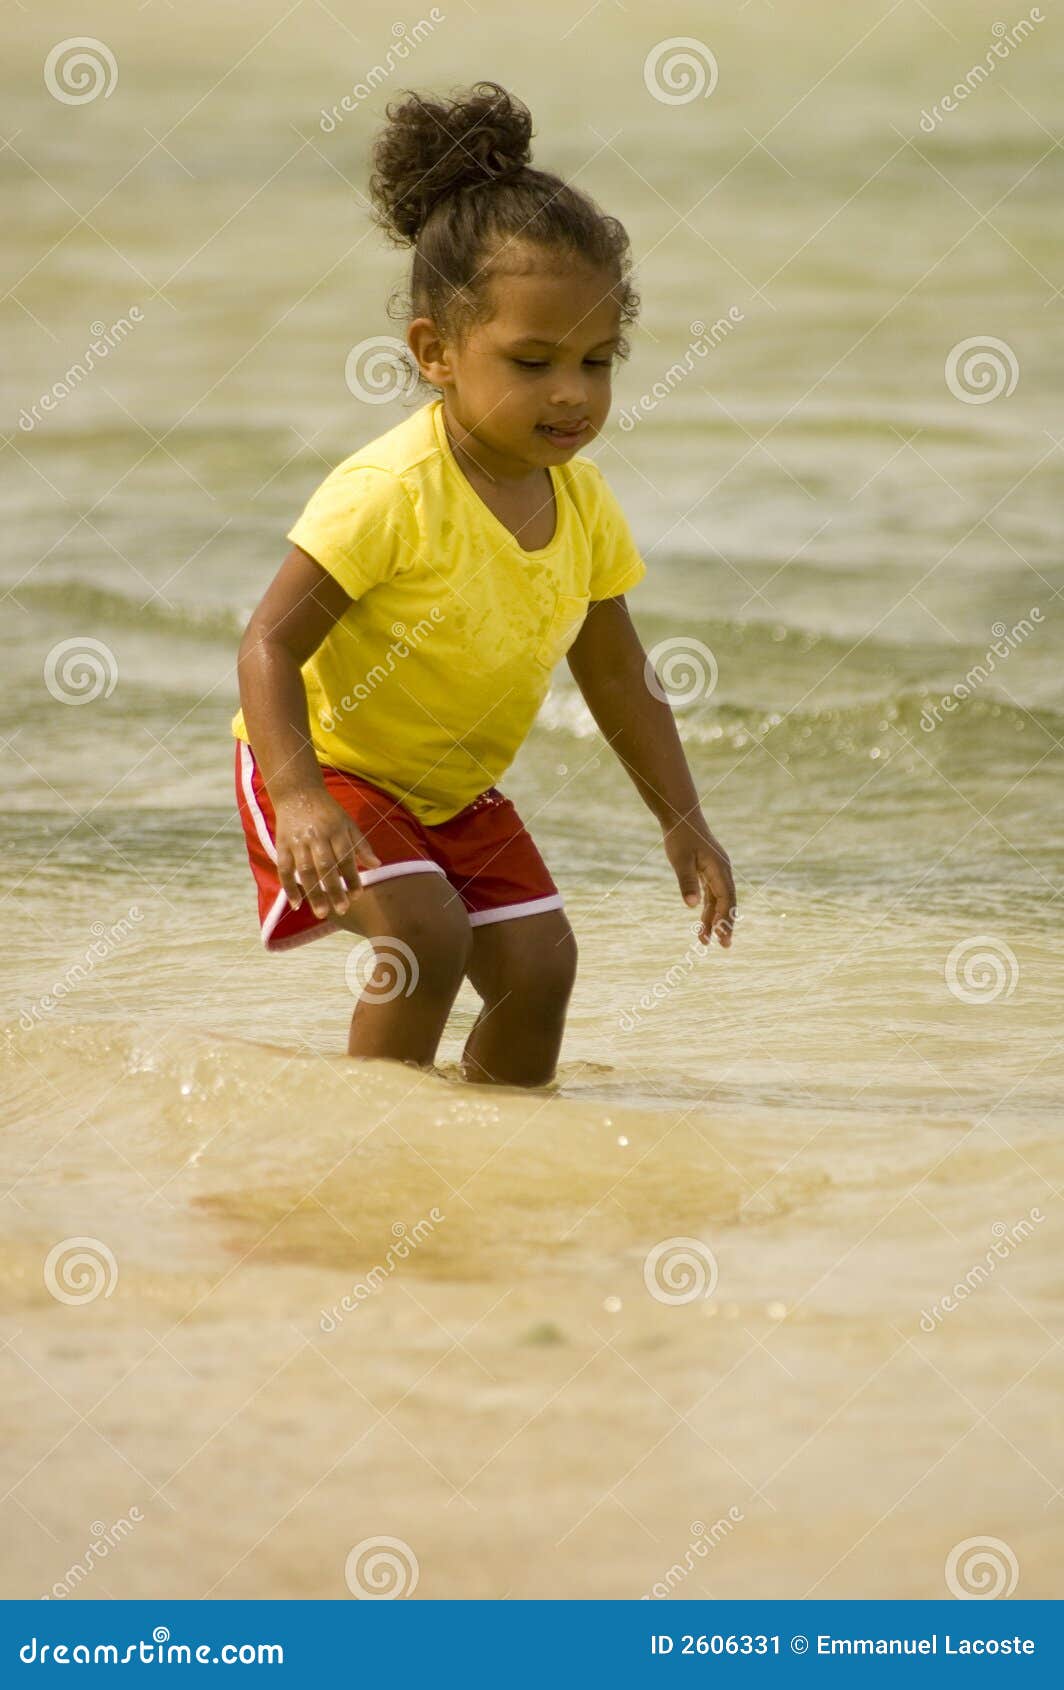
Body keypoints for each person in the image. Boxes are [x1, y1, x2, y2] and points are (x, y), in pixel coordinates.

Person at [232, 80, 736, 1088]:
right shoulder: (389, 492)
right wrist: (297, 796)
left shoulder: (580, 504)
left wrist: (681, 817)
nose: (572, 393)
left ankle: (494, 1163)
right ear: (435, 353)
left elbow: (617, 672)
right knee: (425, 935)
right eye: (533, 359)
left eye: (599, 361)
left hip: (454, 790)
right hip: (332, 768)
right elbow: (269, 645)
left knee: (540, 966)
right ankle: (369, 1142)